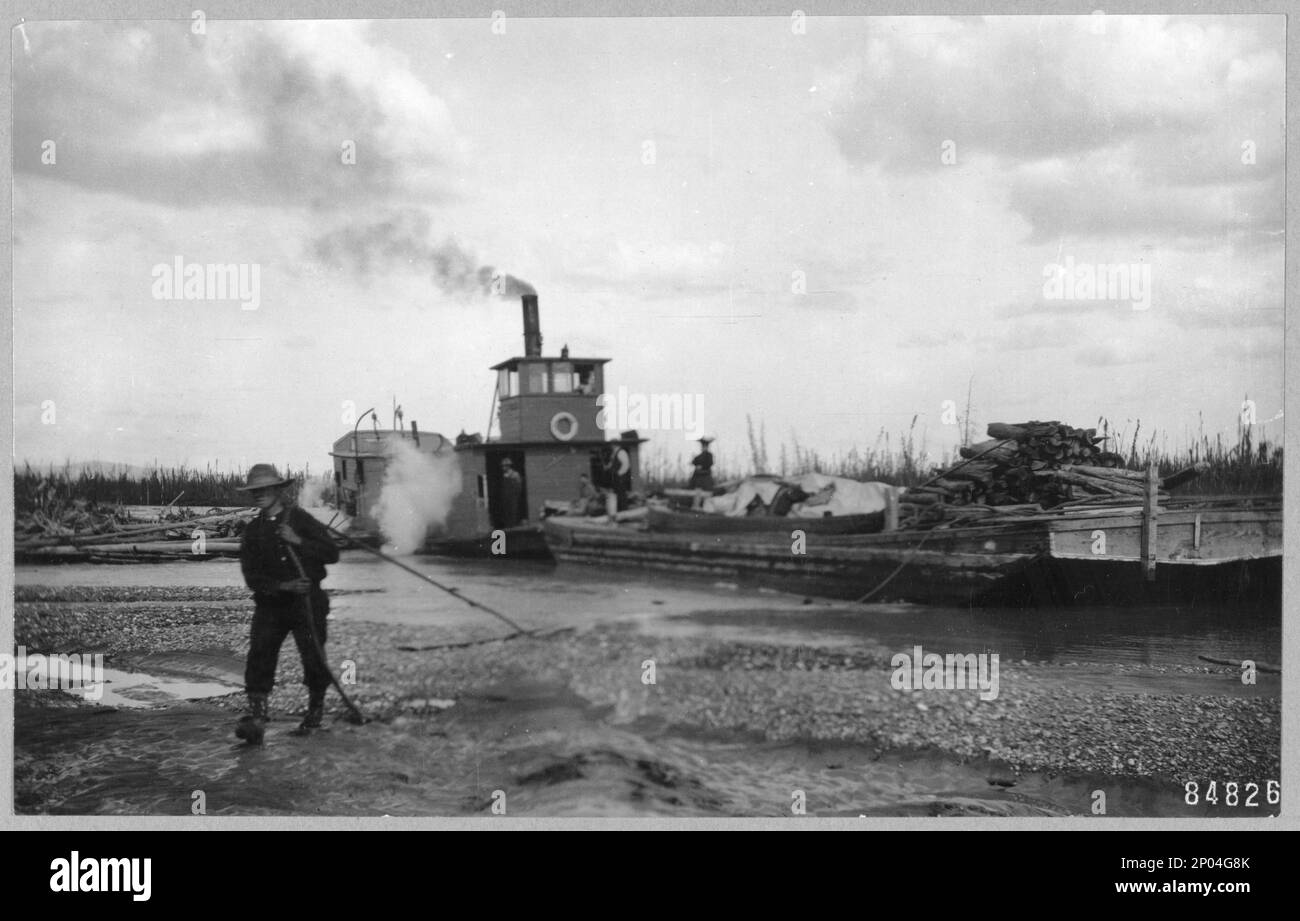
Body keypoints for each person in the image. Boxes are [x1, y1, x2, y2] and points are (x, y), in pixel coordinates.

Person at [235, 464, 340, 742]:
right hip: (271, 606)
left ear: (279, 490)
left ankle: (314, 714)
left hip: (308, 603)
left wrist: (299, 541)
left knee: (314, 657)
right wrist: (283, 585)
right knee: (259, 656)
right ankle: (257, 718)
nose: (259, 495)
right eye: (254, 491)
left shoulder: (302, 520)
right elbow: (252, 577)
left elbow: (332, 553)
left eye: (265, 489)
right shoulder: (253, 531)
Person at [498, 457, 524, 528]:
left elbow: (519, 486)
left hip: (513, 497)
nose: (502, 467)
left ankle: (513, 527)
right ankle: (508, 527)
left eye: (504, 466)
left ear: (508, 466)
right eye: (502, 466)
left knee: (513, 512)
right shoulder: (504, 475)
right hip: (505, 497)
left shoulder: (515, 474)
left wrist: (515, 495)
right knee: (506, 513)